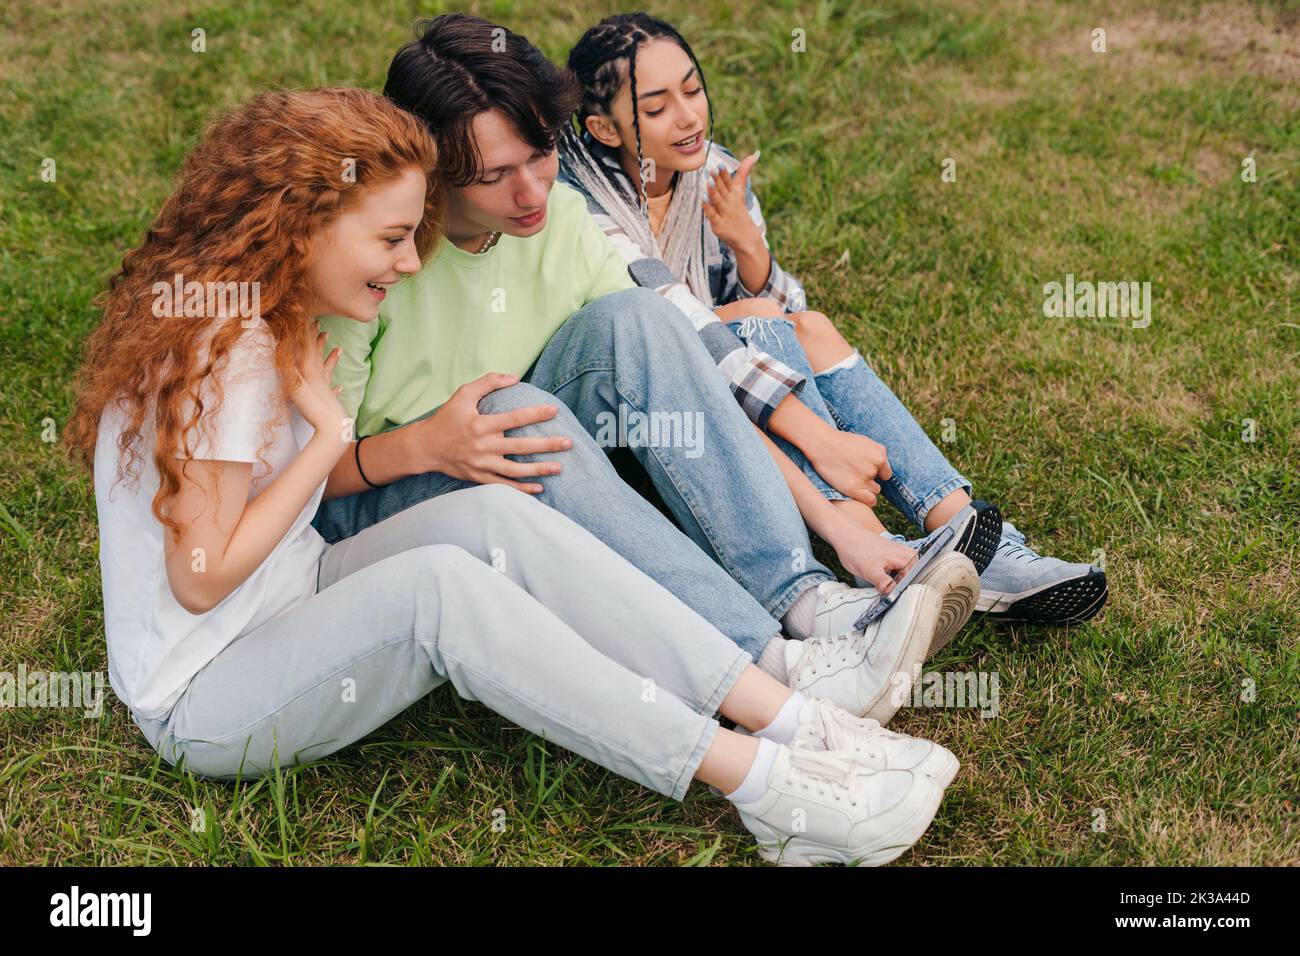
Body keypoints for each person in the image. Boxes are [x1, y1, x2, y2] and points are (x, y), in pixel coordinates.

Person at [62, 86, 965, 866]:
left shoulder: (283, 307)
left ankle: (794, 715)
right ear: (304, 223)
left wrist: (326, 450)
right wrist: (328, 433)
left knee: (500, 520)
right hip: (209, 689)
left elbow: (275, 515)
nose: (412, 262)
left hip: (298, 589)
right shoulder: (229, 354)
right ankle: (772, 792)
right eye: (390, 239)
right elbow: (199, 577)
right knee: (441, 594)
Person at [315, 14, 981, 680]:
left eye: (541, 152)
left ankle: (807, 599)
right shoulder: (371, 259)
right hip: (382, 495)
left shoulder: (562, 220)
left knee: (640, 318)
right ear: (431, 175)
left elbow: (689, 380)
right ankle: (768, 661)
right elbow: (310, 480)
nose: (531, 191)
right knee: (513, 410)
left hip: (533, 447)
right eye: (495, 176)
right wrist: (428, 443)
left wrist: (837, 529)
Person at [557, 12, 1109, 626]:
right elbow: (679, 323)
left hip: (726, 379)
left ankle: (971, 532)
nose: (689, 116)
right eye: (657, 107)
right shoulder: (578, 204)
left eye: (693, 89)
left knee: (809, 326)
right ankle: (879, 552)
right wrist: (823, 440)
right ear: (603, 128)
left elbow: (785, 317)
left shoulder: (712, 171)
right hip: (641, 423)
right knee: (762, 318)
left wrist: (749, 249)